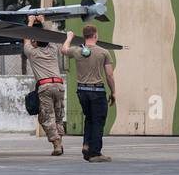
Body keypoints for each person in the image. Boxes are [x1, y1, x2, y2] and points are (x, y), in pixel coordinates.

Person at [62, 24, 116, 162]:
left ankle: (86, 145)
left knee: (89, 119)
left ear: (84, 36)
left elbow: (64, 49)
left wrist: (69, 37)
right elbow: (109, 75)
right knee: (98, 121)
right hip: (97, 91)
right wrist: (113, 92)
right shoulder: (103, 52)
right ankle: (95, 152)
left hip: (82, 91)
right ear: (95, 35)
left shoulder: (77, 51)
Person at [23, 15, 66, 156]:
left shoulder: (32, 53)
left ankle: (56, 144)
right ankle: (59, 139)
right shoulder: (53, 50)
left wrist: (30, 21)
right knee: (58, 115)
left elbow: (26, 38)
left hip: (45, 87)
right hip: (59, 86)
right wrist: (42, 21)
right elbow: (52, 35)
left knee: (47, 117)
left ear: (35, 42)